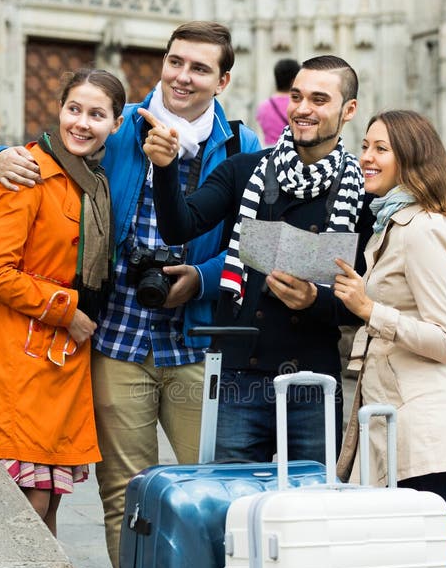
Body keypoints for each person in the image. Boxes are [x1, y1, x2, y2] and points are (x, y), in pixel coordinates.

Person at [0, 22, 262, 568]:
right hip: (117, 340)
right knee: (125, 499)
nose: (183, 75)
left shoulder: (243, 146)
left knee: (212, 494)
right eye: (175, 61)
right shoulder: (117, 124)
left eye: (200, 68)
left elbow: (252, 244)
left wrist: (202, 277)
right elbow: (52, 156)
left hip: (196, 344)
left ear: (222, 80)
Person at [142, 54, 374, 464]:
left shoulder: (362, 196)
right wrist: (164, 169)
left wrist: (313, 300)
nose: (303, 109)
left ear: (349, 110)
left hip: (314, 381)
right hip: (237, 376)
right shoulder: (243, 170)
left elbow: (366, 303)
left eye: (320, 100)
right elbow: (181, 226)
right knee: (233, 509)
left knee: (308, 514)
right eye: (297, 96)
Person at [0, 68, 126, 535]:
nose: (81, 122)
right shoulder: (26, 172)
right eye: (74, 109)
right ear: (58, 109)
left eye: (96, 114)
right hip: (18, 360)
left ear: (116, 124)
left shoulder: (96, 181)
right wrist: (67, 310)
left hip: (60, 366)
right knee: (24, 507)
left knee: (48, 502)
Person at [333, 109, 446, 509]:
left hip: (424, 427)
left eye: (381, 148)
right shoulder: (393, 222)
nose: (366, 156)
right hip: (396, 416)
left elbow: (444, 340)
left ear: (411, 160)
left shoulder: (423, 230)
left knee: (425, 559)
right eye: (365, 146)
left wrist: (369, 309)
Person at [255, 57, 301, 144]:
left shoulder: (263, 106)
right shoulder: (298, 104)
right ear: (293, 80)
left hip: (270, 152)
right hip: (291, 152)